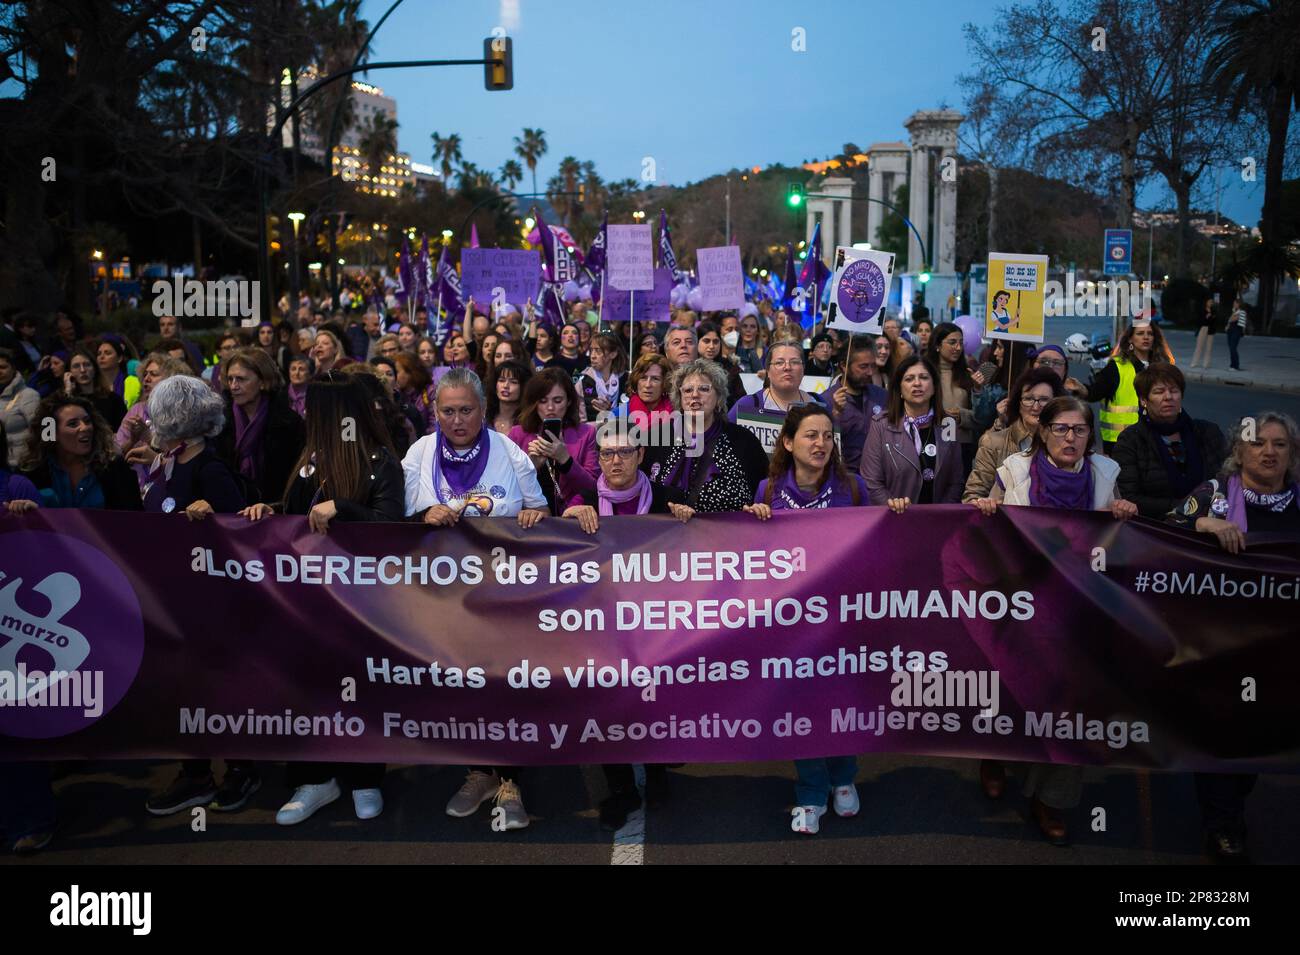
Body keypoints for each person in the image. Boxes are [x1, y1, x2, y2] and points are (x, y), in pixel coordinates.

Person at [969, 396, 1138, 845]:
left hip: (1083, 607)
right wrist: (988, 510)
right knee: (1017, 697)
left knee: (1075, 706)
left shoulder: (1106, 475)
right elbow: (987, 539)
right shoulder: (1015, 473)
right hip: (1023, 606)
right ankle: (997, 756)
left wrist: (1121, 515)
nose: (1070, 438)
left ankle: (1053, 800)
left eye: (1079, 430)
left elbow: (1118, 546)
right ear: (1043, 432)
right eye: (1061, 428)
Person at [240, 373, 404, 825]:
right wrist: (269, 511)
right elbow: (295, 515)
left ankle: (365, 776)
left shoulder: (380, 461)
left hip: (362, 606)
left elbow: (390, 525)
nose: (306, 414)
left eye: (315, 408)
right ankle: (315, 779)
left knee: (359, 692)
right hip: (307, 602)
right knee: (308, 689)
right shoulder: (308, 462)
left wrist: (345, 509)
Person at [401, 368, 546, 830]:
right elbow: (394, 520)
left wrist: (532, 516)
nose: (458, 419)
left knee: (505, 686)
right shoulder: (419, 454)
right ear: (435, 412)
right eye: (448, 411)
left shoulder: (509, 451)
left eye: (467, 410)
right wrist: (425, 513)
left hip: (503, 596)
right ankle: (479, 773)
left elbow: (540, 510)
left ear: (483, 410)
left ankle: (510, 782)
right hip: (442, 599)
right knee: (462, 688)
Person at [1166, 411, 1299, 860]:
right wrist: (1202, 524)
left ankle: (1232, 799)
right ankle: (1223, 825)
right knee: (1224, 729)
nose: (1268, 452)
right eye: (1258, 443)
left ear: (1291, 455)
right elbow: (1161, 534)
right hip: (1220, 644)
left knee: (1259, 735)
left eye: (1279, 444)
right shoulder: (1216, 495)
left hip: (1280, 647)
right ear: (1238, 451)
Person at [742, 405, 867, 833]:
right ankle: (812, 792)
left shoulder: (853, 487)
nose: (821, 444)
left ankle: (844, 776)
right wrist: (753, 522)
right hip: (792, 623)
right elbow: (755, 558)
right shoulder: (768, 489)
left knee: (841, 700)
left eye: (828, 435)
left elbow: (878, 542)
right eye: (811, 435)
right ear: (788, 442)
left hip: (840, 618)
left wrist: (900, 511)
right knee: (803, 706)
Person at [560, 424, 690, 831]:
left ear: (640, 456)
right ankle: (620, 789)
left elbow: (702, 547)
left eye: (624, 452)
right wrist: (564, 514)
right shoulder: (583, 502)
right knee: (606, 704)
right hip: (600, 625)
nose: (615, 460)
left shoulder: (667, 499)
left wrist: (690, 519)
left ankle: (656, 771)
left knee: (653, 698)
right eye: (607, 453)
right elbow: (551, 537)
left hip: (656, 623)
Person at [645, 359, 767, 514]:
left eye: (704, 389)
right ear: (679, 398)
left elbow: (764, 489)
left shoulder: (743, 441)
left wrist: (758, 506)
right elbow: (644, 493)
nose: (695, 395)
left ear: (718, 397)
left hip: (729, 534)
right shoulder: (657, 438)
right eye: (688, 390)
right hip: (671, 535)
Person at [1112, 365, 1227, 519]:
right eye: (1159, 392)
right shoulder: (1131, 440)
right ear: (1144, 400)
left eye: (1174, 391)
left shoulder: (1208, 432)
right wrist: (1188, 508)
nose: (1168, 397)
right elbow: (1130, 498)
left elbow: (1227, 481)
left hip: (1211, 523)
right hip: (1160, 530)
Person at [860, 355, 964, 512]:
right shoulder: (881, 425)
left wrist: (942, 511)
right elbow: (872, 482)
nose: (917, 383)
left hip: (938, 519)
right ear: (900, 389)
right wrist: (893, 507)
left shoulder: (947, 424)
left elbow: (955, 480)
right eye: (909, 379)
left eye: (923, 377)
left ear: (935, 386)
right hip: (895, 519)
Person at [215, 348, 306, 505]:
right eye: (230, 379)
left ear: (263, 382)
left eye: (241, 379)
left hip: (275, 512)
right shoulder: (219, 423)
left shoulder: (289, 424)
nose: (234, 386)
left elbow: (295, 480)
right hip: (230, 510)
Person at [963, 367, 1065, 502]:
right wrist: (986, 504)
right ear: (1018, 403)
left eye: (1044, 400)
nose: (1035, 407)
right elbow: (972, 496)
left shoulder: (1066, 442)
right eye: (1028, 399)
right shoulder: (993, 442)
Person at [507, 368, 600, 515]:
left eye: (557, 400)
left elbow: (593, 488)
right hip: (529, 521)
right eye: (543, 401)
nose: (550, 408)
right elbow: (506, 488)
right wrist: (532, 467)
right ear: (534, 403)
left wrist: (566, 460)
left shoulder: (586, 433)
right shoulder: (517, 434)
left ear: (569, 401)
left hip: (570, 519)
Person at [1087, 316, 1171, 451]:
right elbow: (1094, 393)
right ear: (1130, 339)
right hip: (1120, 442)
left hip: (1154, 439)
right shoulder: (1117, 366)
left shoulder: (1161, 367)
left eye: (1150, 334)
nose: (1146, 337)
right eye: (1140, 333)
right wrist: (1079, 389)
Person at [824, 337, 891, 474]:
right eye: (863, 366)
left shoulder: (883, 396)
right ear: (844, 365)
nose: (870, 372)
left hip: (879, 479)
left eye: (873, 366)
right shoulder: (825, 401)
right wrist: (836, 414)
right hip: (843, 480)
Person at [927, 322, 985, 474]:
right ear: (937, 345)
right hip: (932, 442)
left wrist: (977, 391)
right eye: (952, 342)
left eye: (960, 343)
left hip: (962, 445)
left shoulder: (968, 375)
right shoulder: (925, 374)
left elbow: (982, 418)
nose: (958, 348)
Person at [728, 341, 821, 424]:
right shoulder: (747, 405)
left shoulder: (818, 403)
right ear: (768, 370)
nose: (787, 367)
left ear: (803, 369)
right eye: (779, 363)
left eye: (795, 362)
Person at [0, 348, 40, 467]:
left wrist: (35, 459)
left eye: (3, 367)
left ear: (13, 368)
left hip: (24, 466)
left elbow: (45, 432)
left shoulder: (29, 395)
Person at [577, 331, 626, 421]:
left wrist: (611, 413)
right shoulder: (582, 381)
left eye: (598, 351)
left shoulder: (626, 379)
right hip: (593, 433)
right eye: (591, 350)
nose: (592, 356)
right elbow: (581, 422)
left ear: (613, 354)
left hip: (621, 433)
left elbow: (631, 416)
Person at [623, 353, 673, 428]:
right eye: (643, 378)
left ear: (665, 383)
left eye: (655, 379)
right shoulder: (619, 414)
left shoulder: (675, 415)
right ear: (636, 380)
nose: (648, 385)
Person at [486, 358, 532, 435]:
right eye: (501, 380)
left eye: (513, 382)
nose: (506, 386)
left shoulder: (528, 423)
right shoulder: (484, 417)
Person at [394, 352, 436, 435]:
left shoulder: (431, 391)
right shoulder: (396, 394)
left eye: (397, 372)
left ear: (410, 372)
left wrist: (420, 439)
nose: (394, 376)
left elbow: (435, 424)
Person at [94, 336, 140, 409]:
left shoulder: (134, 382)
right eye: (99, 354)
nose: (102, 357)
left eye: (107, 353)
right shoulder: (94, 385)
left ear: (119, 358)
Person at [1190, 295, 1215, 369]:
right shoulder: (1202, 310)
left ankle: (1206, 364)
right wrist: (1206, 317)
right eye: (1209, 302)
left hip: (1211, 329)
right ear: (1206, 302)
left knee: (1209, 347)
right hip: (1203, 328)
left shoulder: (1213, 310)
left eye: (1211, 302)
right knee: (1199, 346)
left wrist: (1211, 317)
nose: (1211, 303)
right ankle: (1194, 363)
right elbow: (1199, 321)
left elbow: (1215, 321)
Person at [1225, 297, 1246, 370]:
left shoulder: (1242, 312)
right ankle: (1232, 365)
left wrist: (1233, 315)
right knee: (1231, 348)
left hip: (1236, 331)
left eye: (1235, 303)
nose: (1233, 304)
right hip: (1230, 331)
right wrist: (1227, 326)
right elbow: (1230, 320)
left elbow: (1233, 319)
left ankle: (1236, 366)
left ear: (1239, 304)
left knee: (1233, 348)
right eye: (1233, 303)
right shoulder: (1234, 311)